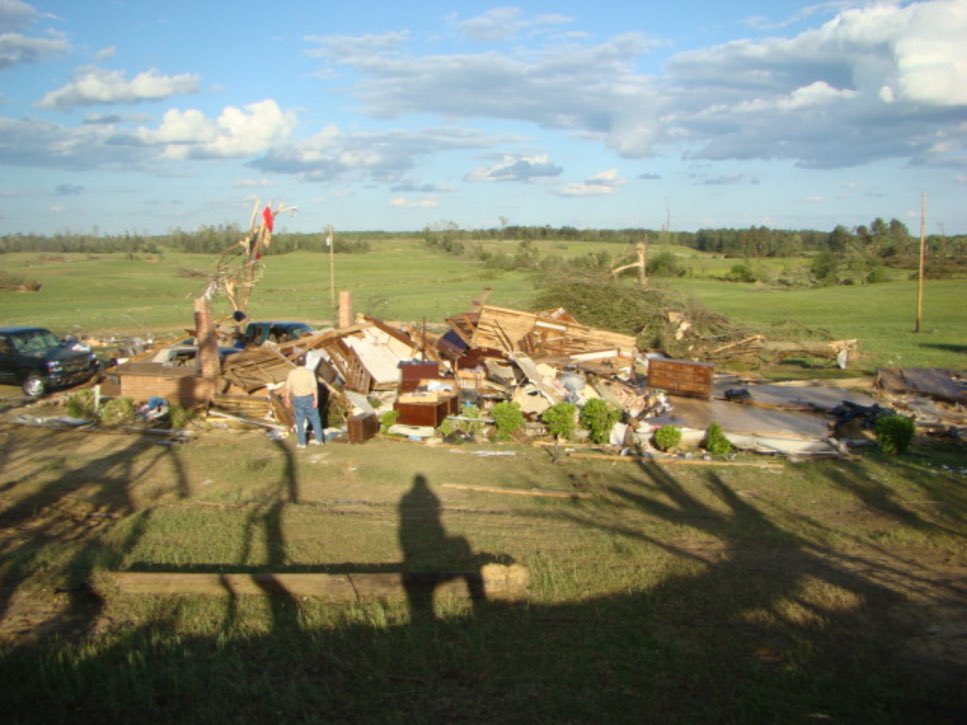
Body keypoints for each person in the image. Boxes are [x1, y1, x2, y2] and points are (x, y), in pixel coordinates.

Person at [285, 354, 324, 448]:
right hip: (309, 398)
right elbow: (314, 388)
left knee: (300, 421)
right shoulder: (310, 373)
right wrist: (316, 399)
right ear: (305, 363)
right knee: (315, 419)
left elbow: (288, 388)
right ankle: (319, 440)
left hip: (297, 399)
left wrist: (287, 399)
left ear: (296, 362)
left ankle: (302, 443)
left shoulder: (292, 373)